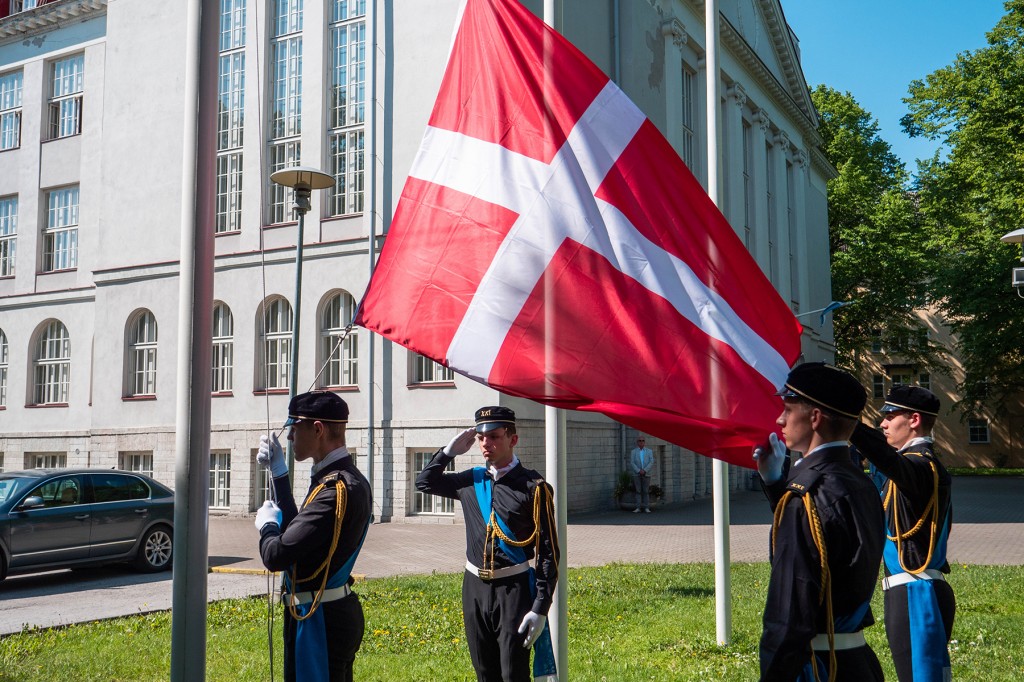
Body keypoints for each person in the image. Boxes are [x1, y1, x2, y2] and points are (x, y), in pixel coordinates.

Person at [753, 362, 886, 682]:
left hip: (818, 667)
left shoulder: (806, 497)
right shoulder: (862, 483)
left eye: (787, 409)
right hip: (857, 663)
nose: (779, 419)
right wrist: (776, 484)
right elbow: (826, 545)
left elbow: (788, 618)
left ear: (814, 418)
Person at [416, 406, 560, 682]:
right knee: (484, 671)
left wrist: (540, 606)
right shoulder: (471, 480)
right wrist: (448, 453)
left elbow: (548, 552)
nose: (486, 444)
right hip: (474, 587)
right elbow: (424, 483)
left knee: (512, 673)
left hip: (514, 590)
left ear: (513, 439)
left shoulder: (534, 487)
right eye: (481, 438)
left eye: (494, 436)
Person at [254, 391, 372, 682]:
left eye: (295, 428)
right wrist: (279, 473)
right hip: (325, 610)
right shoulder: (341, 478)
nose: (291, 437)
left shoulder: (334, 490)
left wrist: (267, 527)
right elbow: (302, 535)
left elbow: (277, 554)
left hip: (320, 617)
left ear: (318, 429)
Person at [850, 385, 955, 682]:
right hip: (907, 590)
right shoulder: (911, 465)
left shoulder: (922, 465)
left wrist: (843, 418)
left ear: (914, 420)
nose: (882, 423)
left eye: (890, 415)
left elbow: (883, 456)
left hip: (917, 591)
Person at [629, 436, 655, 513]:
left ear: (644, 442)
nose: (641, 442)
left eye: (642, 440)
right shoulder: (633, 452)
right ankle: (638, 507)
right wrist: (638, 470)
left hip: (646, 474)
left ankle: (646, 507)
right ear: (637, 442)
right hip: (637, 474)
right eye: (639, 441)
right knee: (638, 491)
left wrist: (645, 470)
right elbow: (632, 462)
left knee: (646, 491)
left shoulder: (649, 451)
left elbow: (651, 462)